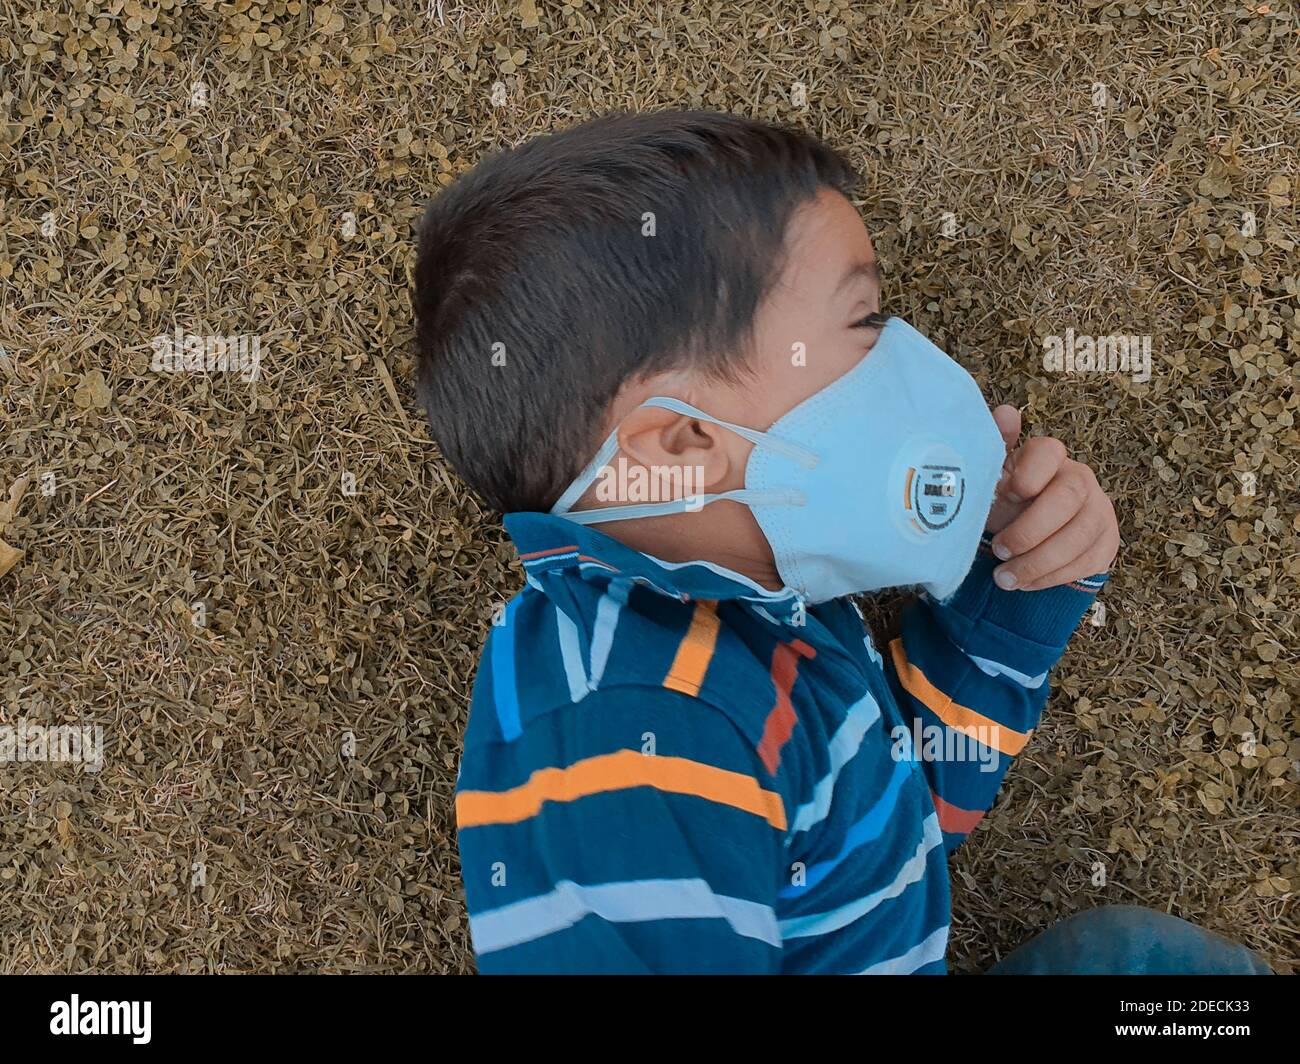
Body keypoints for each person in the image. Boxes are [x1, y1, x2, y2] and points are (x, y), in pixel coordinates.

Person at [411, 110, 1251, 974]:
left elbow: (895, 816)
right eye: (867, 320)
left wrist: (1011, 592)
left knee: (1138, 962)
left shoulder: (767, 597)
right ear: (682, 445)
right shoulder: (634, 736)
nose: (908, 357)